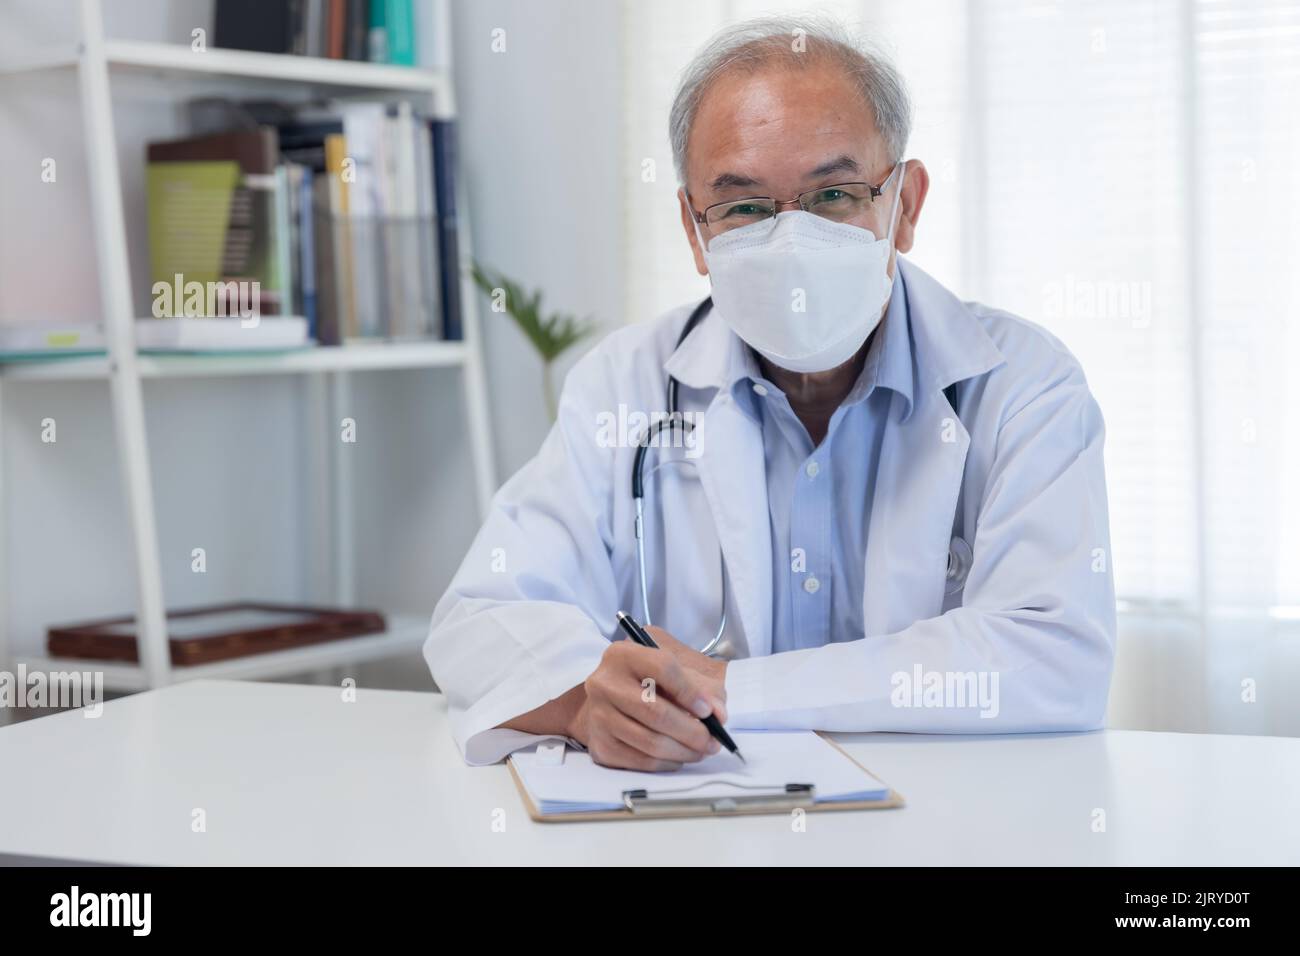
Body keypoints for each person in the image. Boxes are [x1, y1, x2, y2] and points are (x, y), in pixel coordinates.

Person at [425, 15, 1116, 768]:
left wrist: (728, 689)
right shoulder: (624, 384)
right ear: (694, 230)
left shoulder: (1023, 386)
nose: (792, 240)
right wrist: (588, 704)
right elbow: (478, 620)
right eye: (745, 208)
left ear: (905, 206)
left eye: (834, 196)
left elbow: (1053, 656)